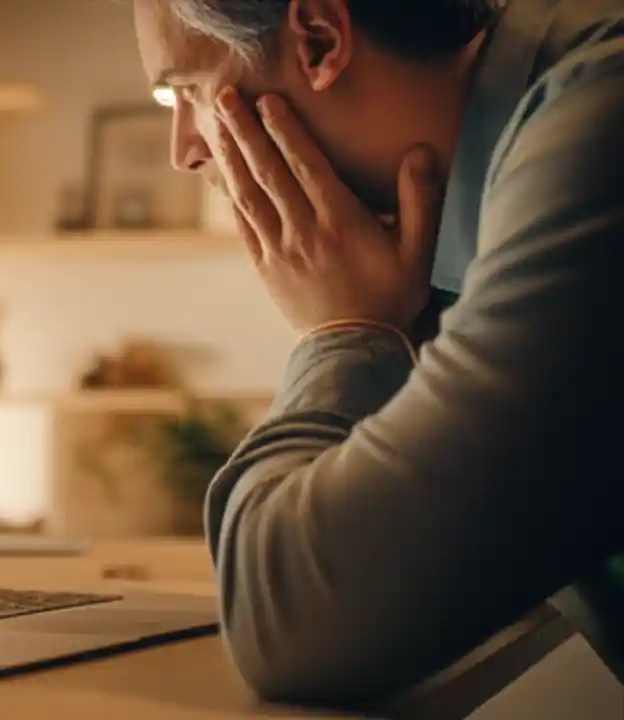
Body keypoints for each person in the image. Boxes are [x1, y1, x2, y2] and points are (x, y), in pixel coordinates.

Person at [132, 0, 624, 705]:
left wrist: (343, 335)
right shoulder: (495, 198)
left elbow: (296, 624)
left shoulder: (601, 131)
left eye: (186, 90)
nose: (185, 149)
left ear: (321, 39)